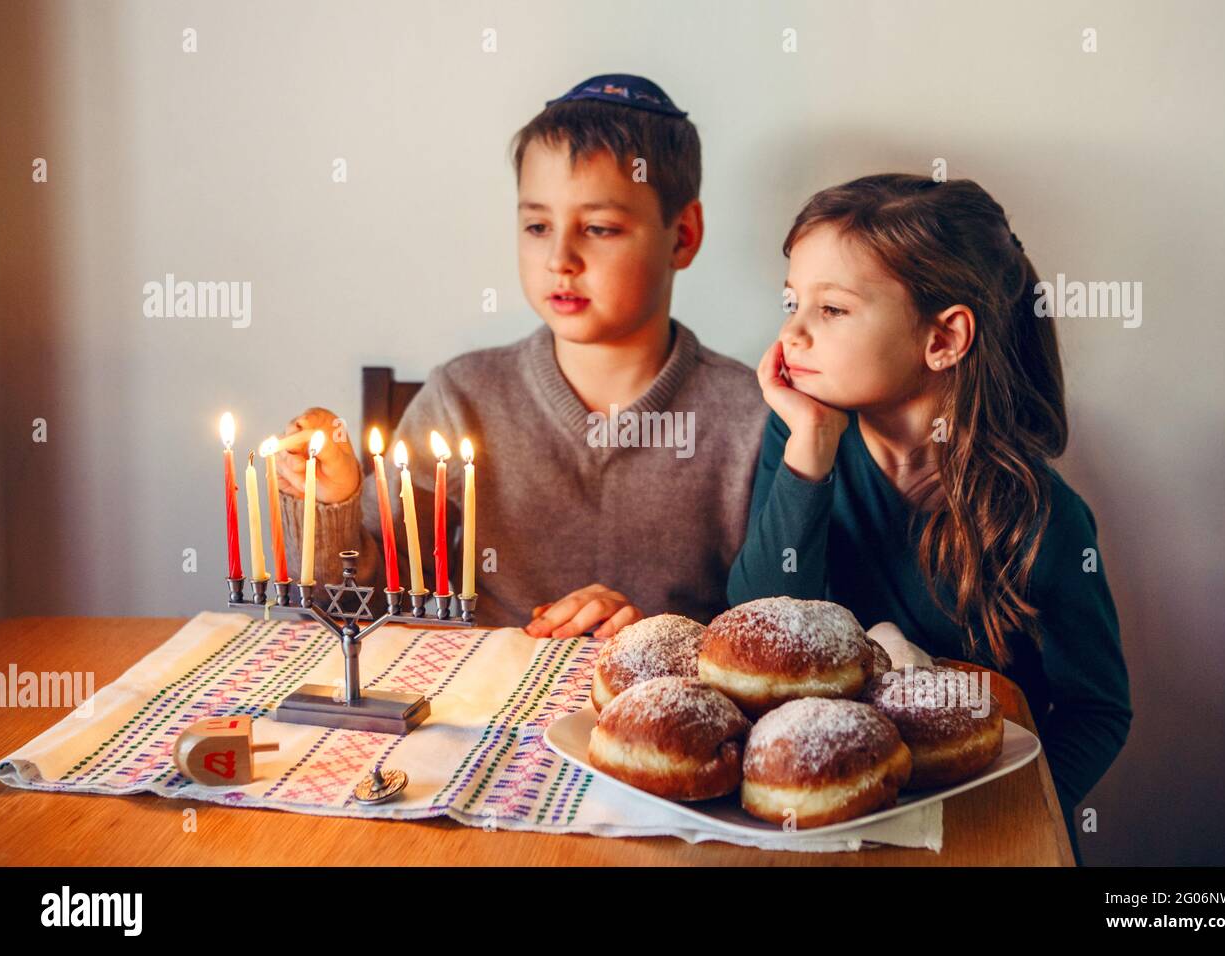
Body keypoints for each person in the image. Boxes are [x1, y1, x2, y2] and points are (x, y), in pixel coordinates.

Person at [727, 174, 1132, 863]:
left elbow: (1097, 711)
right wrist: (809, 454)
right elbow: (756, 619)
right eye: (793, 302)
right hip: (826, 819)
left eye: (832, 310)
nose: (791, 333)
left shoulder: (1043, 518)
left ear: (944, 338)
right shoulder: (802, 439)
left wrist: (1012, 824)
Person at [274, 74, 766, 637]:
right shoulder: (465, 396)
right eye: (537, 225)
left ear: (682, 236)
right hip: (485, 709)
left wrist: (653, 635)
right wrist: (334, 505)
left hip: (662, 708)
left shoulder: (752, 418)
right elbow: (359, 601)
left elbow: (777, 627)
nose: (561, 258)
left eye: (600, 228)